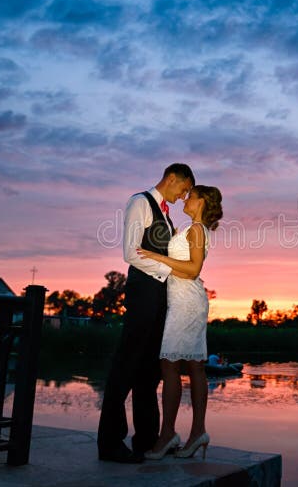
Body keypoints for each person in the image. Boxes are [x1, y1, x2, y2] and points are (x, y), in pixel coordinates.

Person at [97, 163, 195, 463]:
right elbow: (130, 252)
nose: (184, 195)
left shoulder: (165, 215)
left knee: (149, 372)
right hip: (142, 292)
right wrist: (169, 270)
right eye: (184, 188)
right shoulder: (140, 202)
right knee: (126, 365)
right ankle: (110, 444)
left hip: (160, 296)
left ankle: (146, 440)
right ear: (172, 178)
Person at [136, 185, 223, 460]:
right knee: (194, 366)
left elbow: (193, 269)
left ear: (201, 202)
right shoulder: (191, 229)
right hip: (184, 300)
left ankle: (168, 435)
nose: (186, 198)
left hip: (187, 302)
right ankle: (196, 433)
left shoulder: (197, 230)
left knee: (171, 364)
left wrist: (154, 256)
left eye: (191, 195)